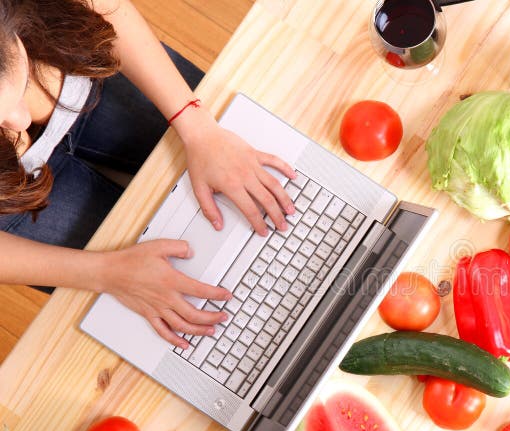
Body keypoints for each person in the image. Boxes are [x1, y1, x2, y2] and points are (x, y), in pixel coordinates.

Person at [0, 0, 296, 348]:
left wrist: (197, 125)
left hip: (81, 65)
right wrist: (106, 273)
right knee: (183, 298)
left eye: (16, 90)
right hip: (10, 204)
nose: (20, 122)